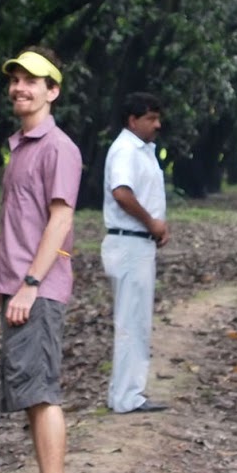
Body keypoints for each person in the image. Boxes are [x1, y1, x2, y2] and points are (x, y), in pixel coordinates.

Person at [0, 46, 83, 473]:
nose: (20, 88)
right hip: (19, 287)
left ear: (52, 90)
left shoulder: (58, 147)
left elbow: (60, 219)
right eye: (15, 80)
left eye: (32, 80)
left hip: (38, 290)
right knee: (30, 391)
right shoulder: (20, 145)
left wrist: (30, 285)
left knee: (41, 393)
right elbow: (17, 225)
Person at [101, 91, 168, 414]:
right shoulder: (126, 150)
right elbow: (121, 193)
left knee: (135, 320)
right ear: (132, 120)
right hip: (128, 241)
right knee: (131, 322)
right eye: (151, 118)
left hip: (137, 242)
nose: (158, 124)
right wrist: (151, 222)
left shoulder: (142, 151)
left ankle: (125, 393)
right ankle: (128, 397)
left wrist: (155, 226)